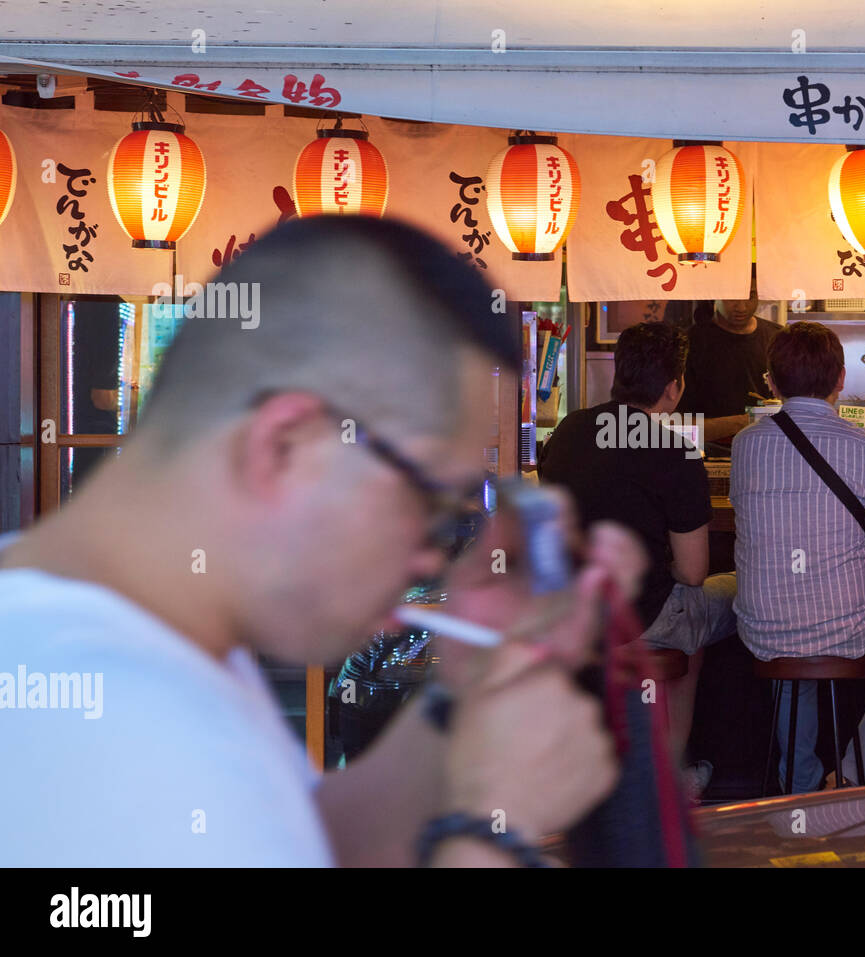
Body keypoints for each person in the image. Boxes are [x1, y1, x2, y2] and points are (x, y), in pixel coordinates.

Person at [0, 216, 642, 866]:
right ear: (287, 445)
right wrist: (493, 830)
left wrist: (468, 683)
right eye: (429, 500)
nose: (429, 555)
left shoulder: (137, 643)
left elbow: (311, 838)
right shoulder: (101, 724)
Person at [731, 321, 865, 793]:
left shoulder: (745, 445)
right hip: (849, 623)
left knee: (791, 651)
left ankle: (798, 786)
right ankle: (849, 778)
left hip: (762, 626)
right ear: (842, 378)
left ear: (772, 382)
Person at [539, 321, 736, 781]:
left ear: (618, 373)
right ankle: (673, 777)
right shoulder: (676, 452)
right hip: (639, 620)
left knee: (689, 621)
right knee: (737, 595)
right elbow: (691, 572)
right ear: (674, 388)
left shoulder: (569, 431)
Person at [677, 274, 781, 449]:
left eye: (750, 296)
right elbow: (677, 423)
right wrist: (742, 422)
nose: (741, 306)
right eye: (732, 296)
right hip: (707, 450)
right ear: (715, 293)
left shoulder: (778, 338)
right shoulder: (690, 343)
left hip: (767, 446)